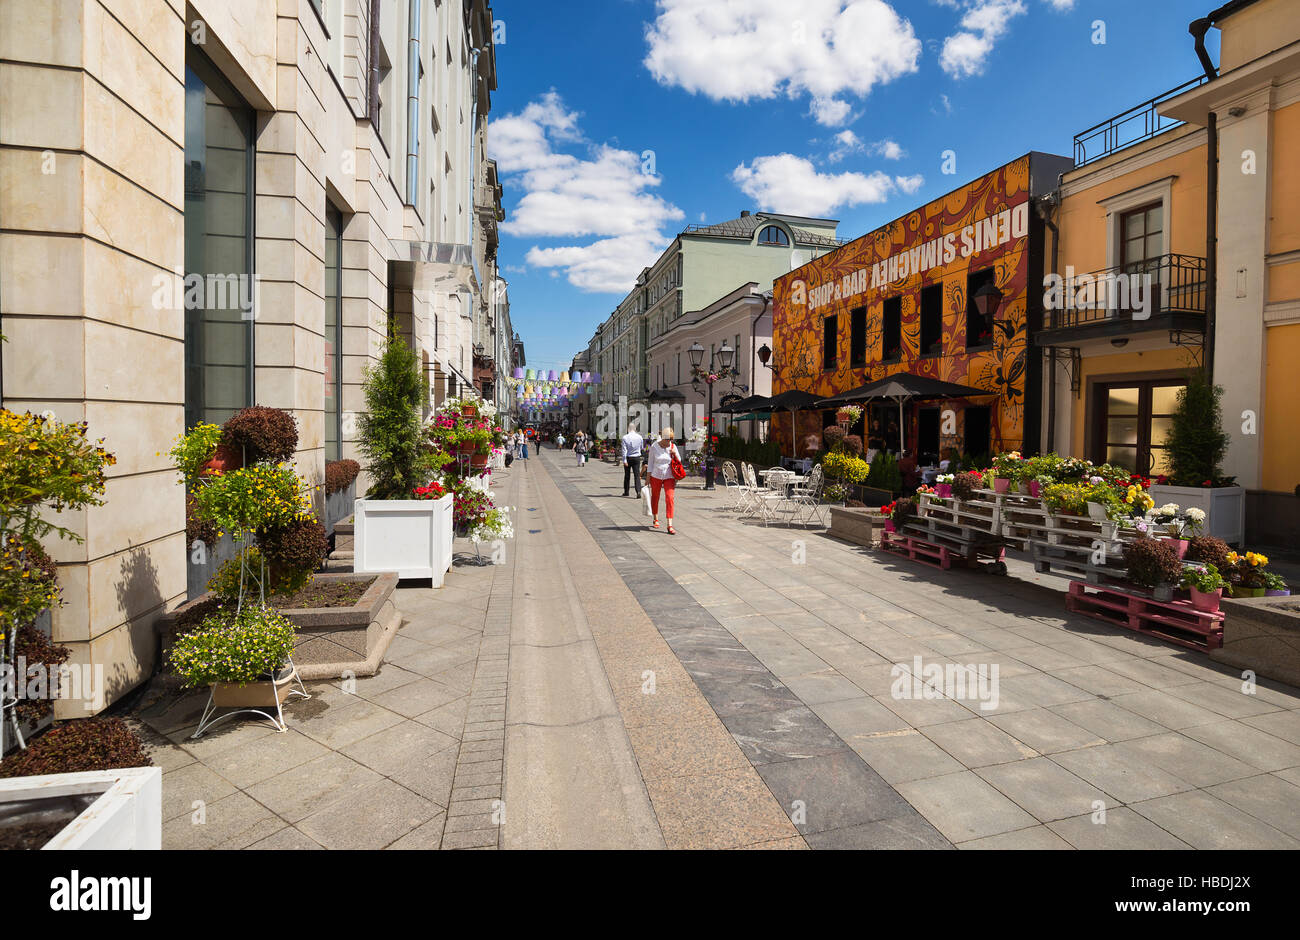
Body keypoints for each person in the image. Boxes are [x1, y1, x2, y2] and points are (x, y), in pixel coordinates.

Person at [646, 427, 682, 535]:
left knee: (670, 498)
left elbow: (679, 460)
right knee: (655, 497)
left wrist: (674, 453)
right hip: (656, 475)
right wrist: (647, 478)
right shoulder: (654, 447)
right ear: (663, 438)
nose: (669, 442)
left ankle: (669, 525)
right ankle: (655, 518)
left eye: (671, 439)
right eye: (668, 439)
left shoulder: (672, 446)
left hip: (669, 476)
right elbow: (650, 463)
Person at [621, 423, 645, 498]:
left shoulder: (625, 437)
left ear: (628, 429)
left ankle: (626, 491)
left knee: (627, 475)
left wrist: (624, 460)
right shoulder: (640, 437)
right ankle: (638, 491)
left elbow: (624, 450)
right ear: (635, 429)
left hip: (628, 458)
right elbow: (641, 447)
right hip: (636, 458)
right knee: (637, 475)